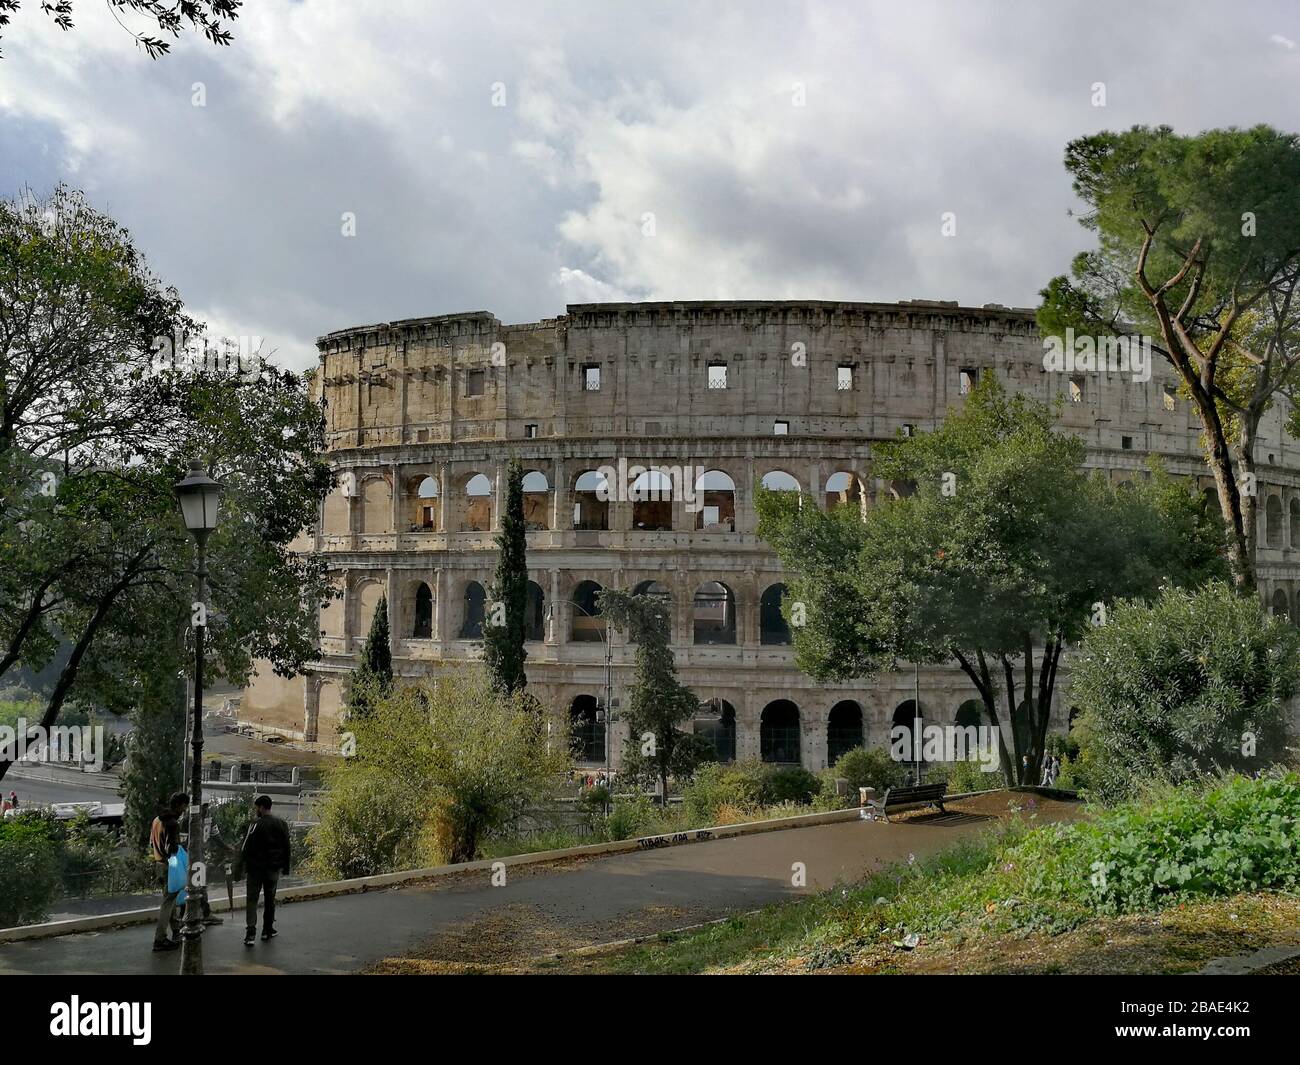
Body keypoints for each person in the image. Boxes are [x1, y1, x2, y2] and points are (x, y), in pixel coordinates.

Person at [238, 794, 291, 946]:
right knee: (270, 899)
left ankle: (250, 933)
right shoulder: (281, 824)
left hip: (255, 869)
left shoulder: (255, 824)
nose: (256, 810)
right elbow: (287, 847)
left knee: (252, 900)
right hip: (273, 869)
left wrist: (239, 868)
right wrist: (286, 867)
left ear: (261, 807)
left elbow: (245, 848)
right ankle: (267, 930)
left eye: (256, 807)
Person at [150, 792, 189, 953]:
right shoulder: (172, 824)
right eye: (184, 807)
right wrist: (178, 852)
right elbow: (171, 848)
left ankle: (176, 931)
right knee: (168, 901)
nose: (184, 810)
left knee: (170, 899)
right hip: (169, 865)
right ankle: (159, 939)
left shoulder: (157, 820)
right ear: (180, 805)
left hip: (158, 863)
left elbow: (152, 841)